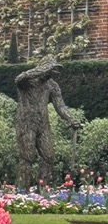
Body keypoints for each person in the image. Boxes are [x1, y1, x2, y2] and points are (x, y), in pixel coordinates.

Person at [14, 55, 81, 188]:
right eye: (51, 69)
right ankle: (22, 190)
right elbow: (19, 79)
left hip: (43, 124)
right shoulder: (27, 82)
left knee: (48, 156)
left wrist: (70, 119)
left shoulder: (52, 85)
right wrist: (42, 69)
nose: (53, 73)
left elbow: (60, 106)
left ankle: (44, 190)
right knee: (27, 157)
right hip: (26, 123)